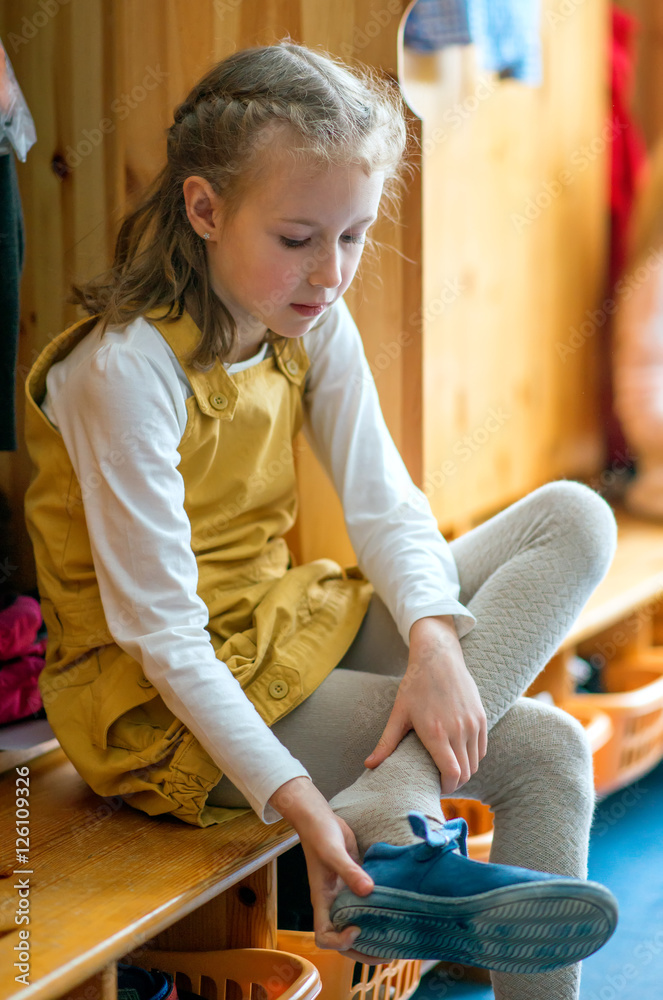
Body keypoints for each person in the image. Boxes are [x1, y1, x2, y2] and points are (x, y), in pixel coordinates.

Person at [24, 41, 618, 999]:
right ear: (205, 208)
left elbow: (385, 504)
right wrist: (301, 804)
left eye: (352, 237)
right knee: (545, 747)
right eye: (298, 238)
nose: (331, 272)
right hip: (167, 706)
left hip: (284, 625)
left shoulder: (308, 316)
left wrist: (431, 640)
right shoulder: (119, 372)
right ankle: (400, 811)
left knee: (575, 518)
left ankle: (395, 794)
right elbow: (165, 639)